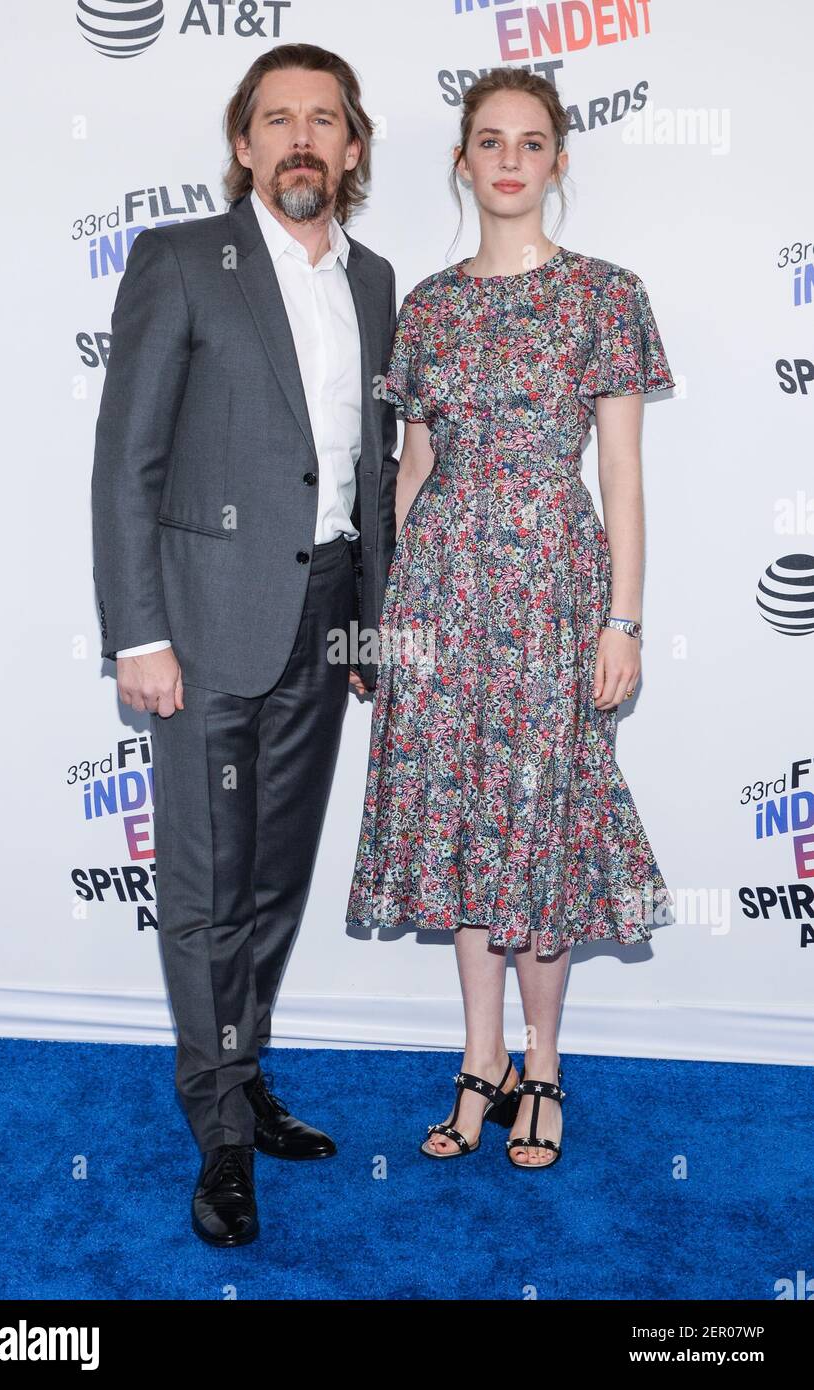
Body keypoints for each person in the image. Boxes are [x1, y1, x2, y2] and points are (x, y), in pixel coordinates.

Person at [91, 43, 399, 1243]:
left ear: (352, 146)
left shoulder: (373, 280)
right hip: (203, 625)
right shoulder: (180, 261)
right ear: (242, 143)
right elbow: (128, 462)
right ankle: (220, 1129)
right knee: (206, 886)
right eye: (277, 119)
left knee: (273, 877)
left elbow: (367, 468)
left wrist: (367, 616)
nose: (300, 139)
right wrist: (139, 632)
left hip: (322, 619)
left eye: (323, 119)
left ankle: (244, 1065)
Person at [346, 68, 675, 1169]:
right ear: (461, 159)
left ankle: (543, 1064)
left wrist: (623, 620)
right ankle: (478, 1059)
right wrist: (386, 617)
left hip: (551, 590)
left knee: (539, 823)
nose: (508, 160)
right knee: (461, 818)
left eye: (530, 142)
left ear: (558, 162)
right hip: (440, 588)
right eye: (489, 140)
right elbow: (411, 470)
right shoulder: (430, 306)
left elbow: (620, 475)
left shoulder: (605, 295)